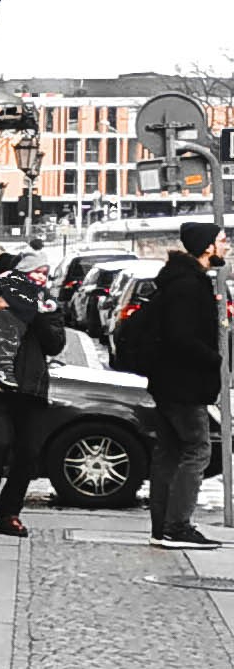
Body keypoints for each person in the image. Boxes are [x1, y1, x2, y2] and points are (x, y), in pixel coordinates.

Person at [138, 215, 226, 555]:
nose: (226, 246)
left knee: (169, 452)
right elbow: (181, 337)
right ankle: (177, 526)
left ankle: (163, 528)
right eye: (221, 242)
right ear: (207, 248)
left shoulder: (178, 281)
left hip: (168, 382)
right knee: (198, 450)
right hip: (184, 384)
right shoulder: (190, 286)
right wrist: (216, 359)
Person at [0, 249, 63, 536]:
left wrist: (34, 314)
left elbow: (55, 344)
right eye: (35, 273)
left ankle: (10, 513)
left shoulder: (48, 303)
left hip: (31, 388)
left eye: (44, 273)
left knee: (28, 452)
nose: (40, 278)